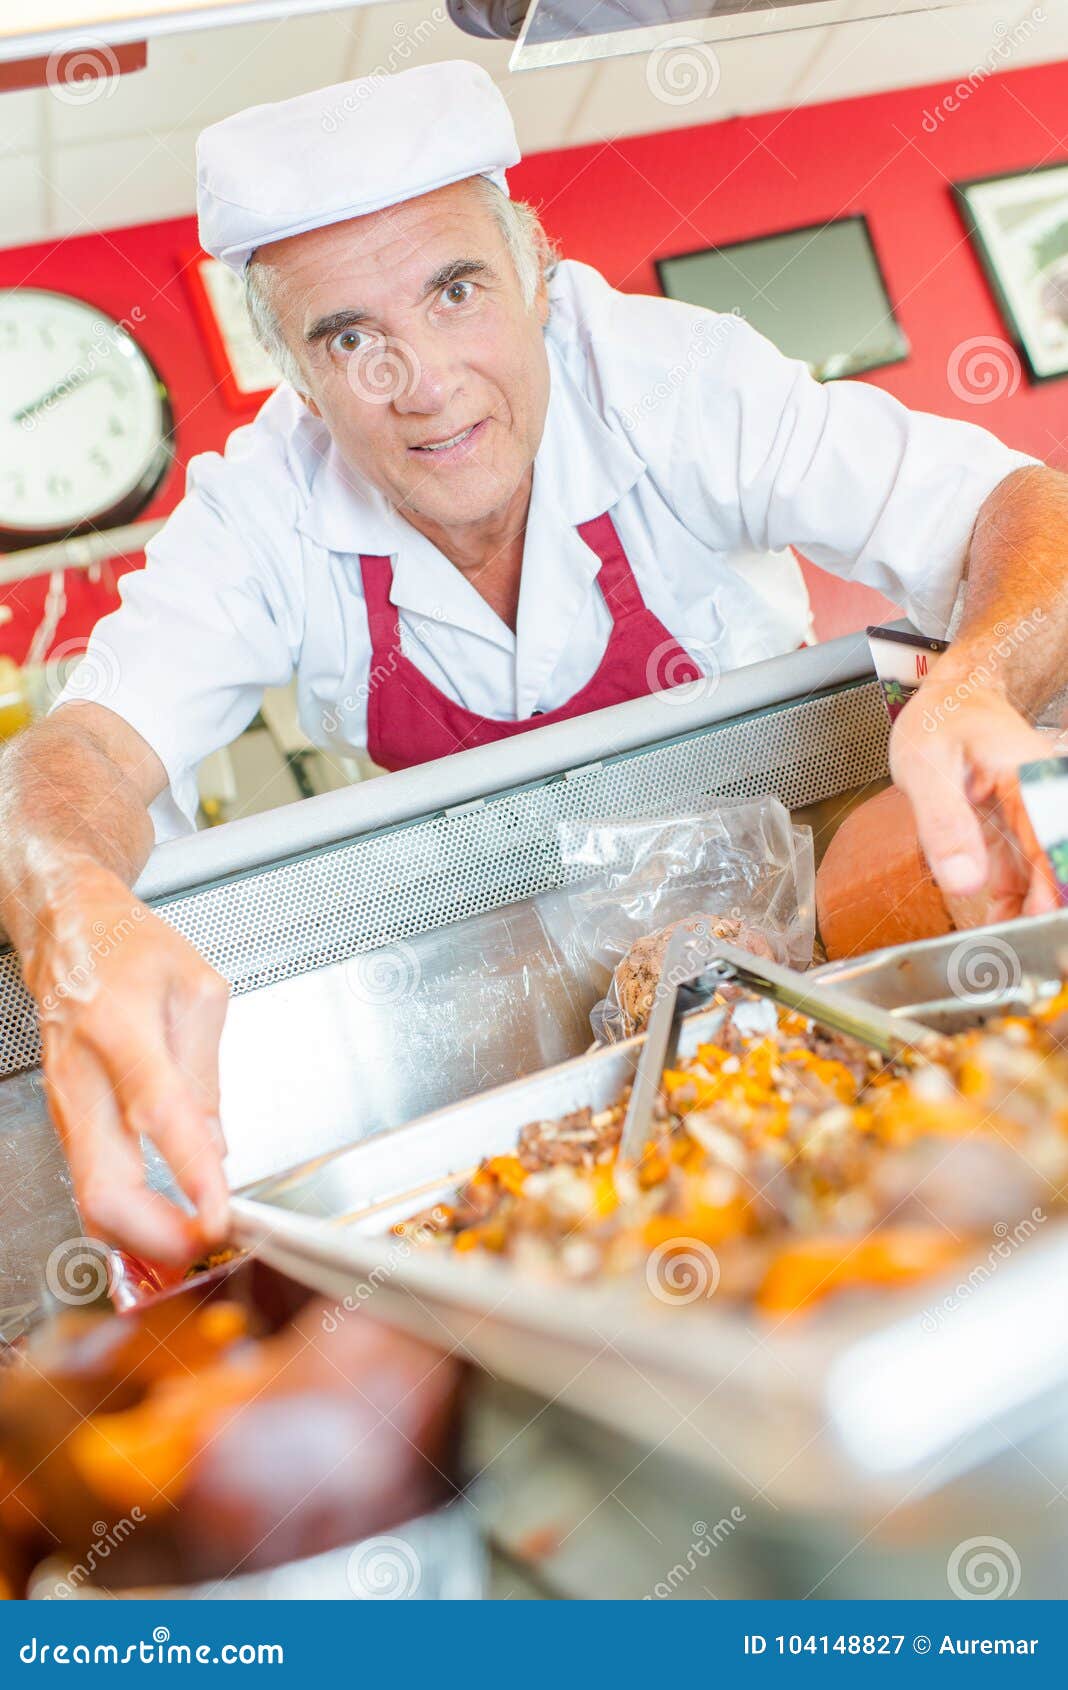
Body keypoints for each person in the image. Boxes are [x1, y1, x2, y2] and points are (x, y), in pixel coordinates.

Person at [1, 61, 1064, 1262]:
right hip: (509, 998)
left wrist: (973, 684)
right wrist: (72, 897)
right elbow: (83, 747)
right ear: (296, 376)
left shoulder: (673, 380)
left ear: (536, 270)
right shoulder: (260, 512)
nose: (428, 384)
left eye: (456, 290)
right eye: (350, 338)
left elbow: (1021, 509)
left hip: (813, 919)